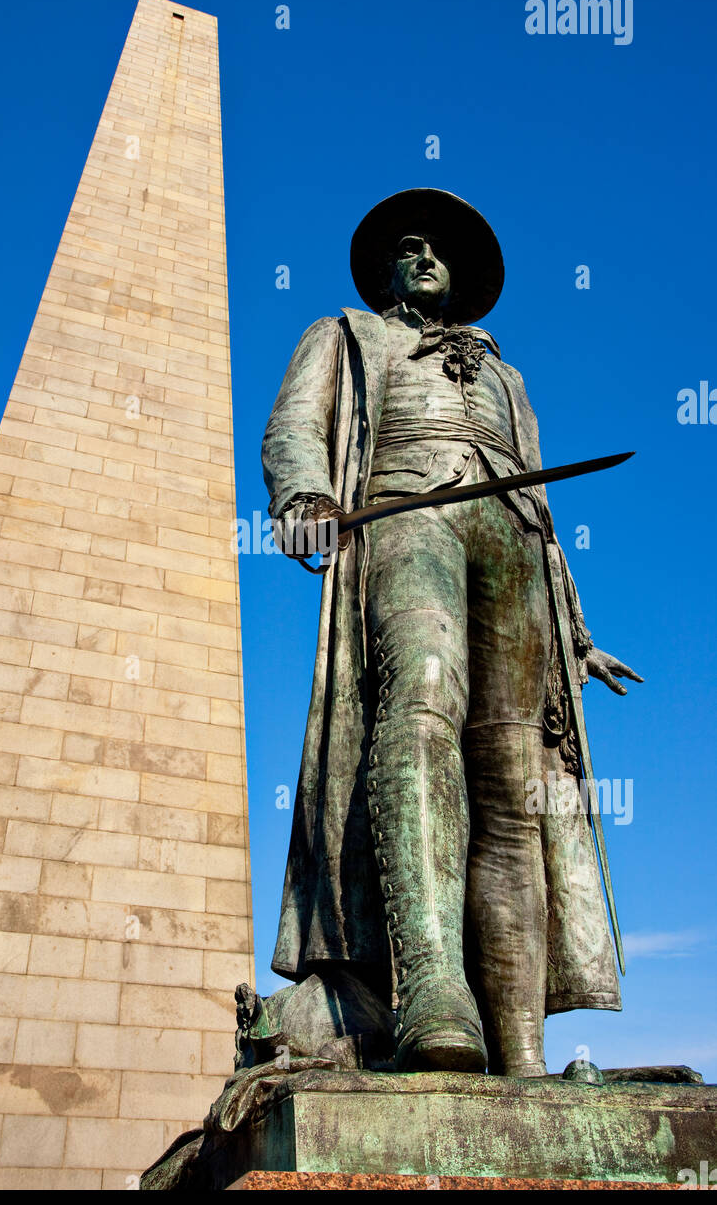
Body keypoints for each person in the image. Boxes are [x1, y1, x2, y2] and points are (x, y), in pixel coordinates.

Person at [261, 188, 642, 1076]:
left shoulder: (507, 375)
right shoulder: (345, 334)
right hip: (408, 512)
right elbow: (294, 424)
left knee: (518, 782)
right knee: (422, 696)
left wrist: (575, 631)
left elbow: (540, 499)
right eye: (408, 244)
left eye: (438, 248)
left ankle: (521, 1051)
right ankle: (433, 988)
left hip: (511, 541)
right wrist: (304, 495)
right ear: (387, 269)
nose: (424, 253)